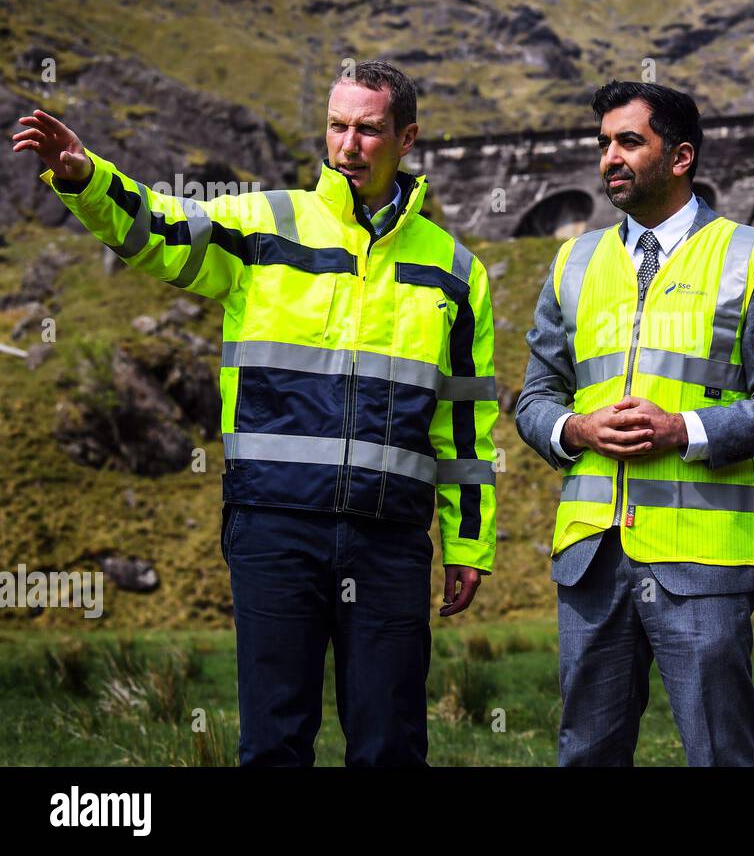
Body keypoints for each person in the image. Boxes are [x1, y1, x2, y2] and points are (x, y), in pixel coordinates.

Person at [11, 60, 498, 766]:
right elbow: (160, 231)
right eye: (337, 126)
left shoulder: (457, 270)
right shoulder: (265, 225)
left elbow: (464, 425)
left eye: (368, 129)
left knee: (391, 745)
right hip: (273, 528)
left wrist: (469, 545)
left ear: (407, 137)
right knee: (273, 742)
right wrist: (87, 179)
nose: (349, 145)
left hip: (390, 542)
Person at [515, 81, 754, 766]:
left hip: (702, 563)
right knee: (586, 754)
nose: (608, 159)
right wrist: (577, 431)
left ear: (680, 157)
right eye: (602, 145)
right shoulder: (572, 264)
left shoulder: (749, 256)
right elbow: (534, 401)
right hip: (591, 560)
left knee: (719, 753)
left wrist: (684, 429)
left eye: (627, 142)